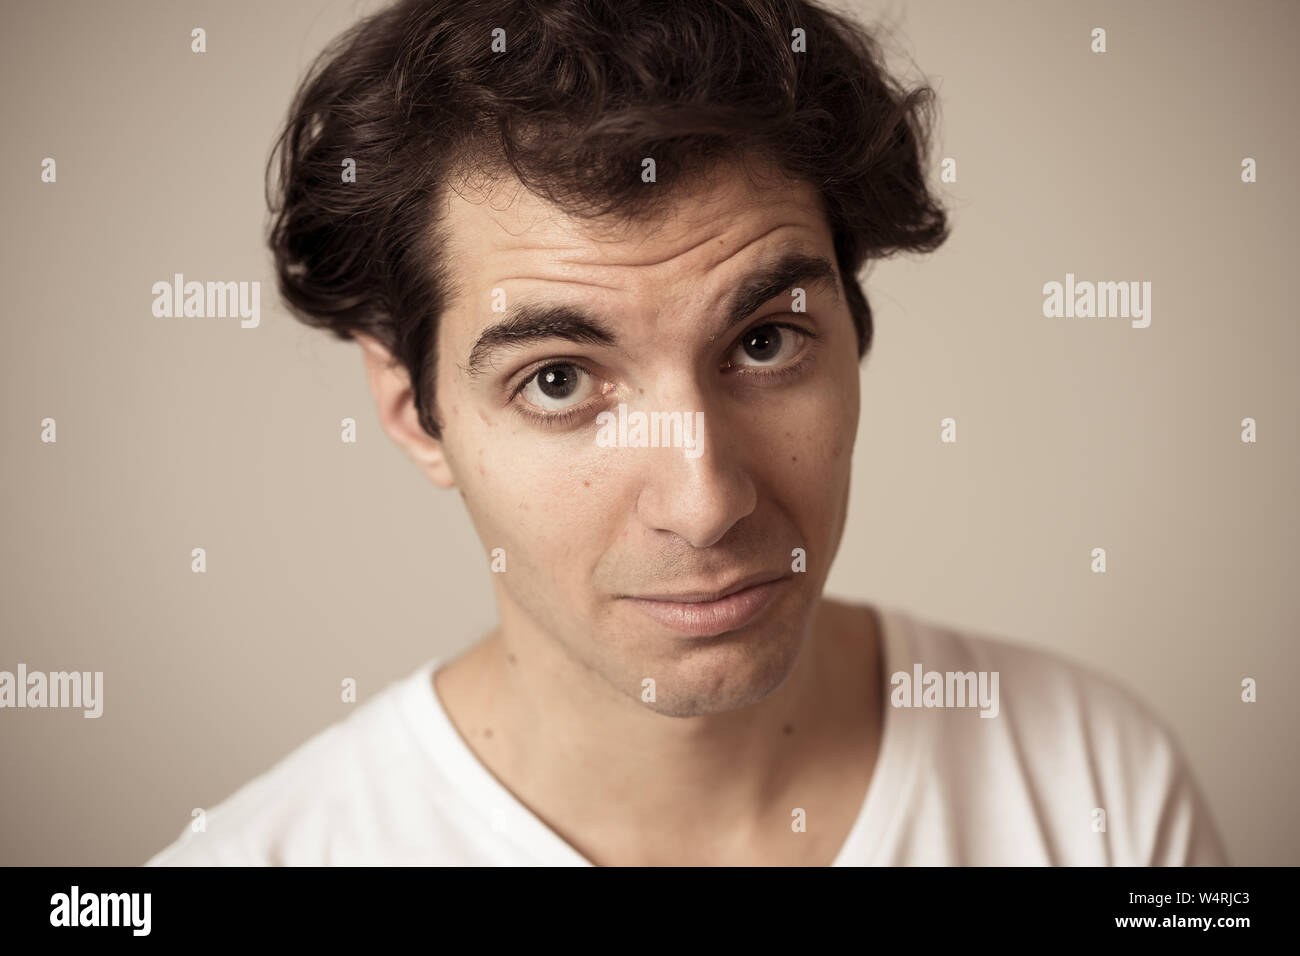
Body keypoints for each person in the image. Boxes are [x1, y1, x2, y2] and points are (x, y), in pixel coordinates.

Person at [147, 0, 1226, 866]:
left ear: (853, 332)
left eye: (763, 343)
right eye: (559, 378)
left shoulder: (1093, 784)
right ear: (412, 411)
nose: (706, 500)